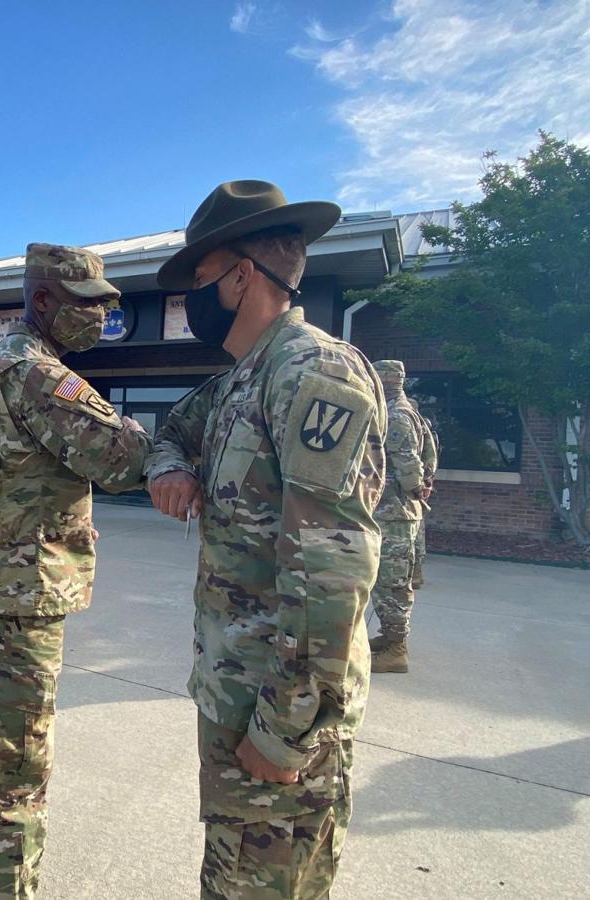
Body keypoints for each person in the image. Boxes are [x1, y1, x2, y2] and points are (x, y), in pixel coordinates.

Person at [145, 181, 386, 900]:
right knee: (230, 879)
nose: (193, 298)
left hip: (278, 713)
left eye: (199, 279)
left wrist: (284, 732)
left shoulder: (313, 372)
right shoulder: (239, 381)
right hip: (232, 689)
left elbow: (334, 574)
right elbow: (169, 433)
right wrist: (170, 469)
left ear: (242, 276)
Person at [0, 243, 152, 900]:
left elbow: (16, 476)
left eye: (108, 305)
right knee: (13, 762)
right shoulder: (40, 376)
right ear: (43, 302)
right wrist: (161, 434)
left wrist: (63, 515)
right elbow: (122, 460)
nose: (102, 316)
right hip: (16, 594)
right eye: (89, 304)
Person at [369, 361, 427, 674]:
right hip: (394, 511)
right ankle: (389, 636)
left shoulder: (395, 415)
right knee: (387, 581)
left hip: (394, 513)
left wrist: (417, 488)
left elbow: (408, 466)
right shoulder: (404, 410)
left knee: (391, 583)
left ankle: (396, 648)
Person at [408, 398, 438, 589]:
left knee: (415, 530)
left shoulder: (419, 428)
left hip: (413, 486)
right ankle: (415, 572)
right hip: (415, 484)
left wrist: (423, 484)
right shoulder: (423, 428)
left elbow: (429, 458)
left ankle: (416, 572)